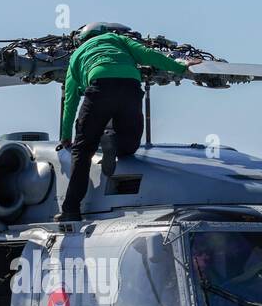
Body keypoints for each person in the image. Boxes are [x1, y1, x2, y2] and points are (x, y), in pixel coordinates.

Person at [57, 22, 201, 224]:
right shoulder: (118, 40)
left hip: (98, 89)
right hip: (131, 88)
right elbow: (148, 55)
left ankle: (71, 210)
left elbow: (70, 100)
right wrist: (180, 66)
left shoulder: (77, 55)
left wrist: (65, 136)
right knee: (131, 144)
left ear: (81, 40)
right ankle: (113, 141)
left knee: (82, 150)